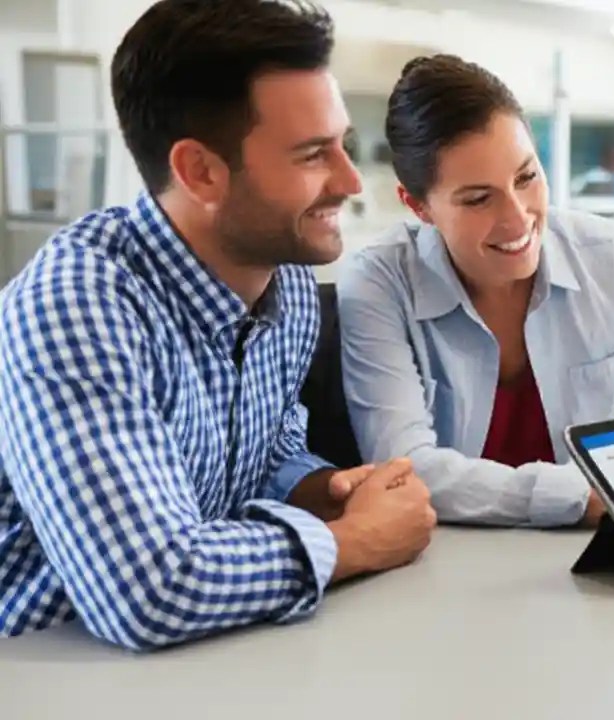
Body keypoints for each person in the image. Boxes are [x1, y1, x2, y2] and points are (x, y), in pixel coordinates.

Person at [0, 0, 437, 651]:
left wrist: (327, 490)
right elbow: (147, 590)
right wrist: (354, 541)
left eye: (342, 144)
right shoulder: (77, 304)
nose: (350, 181)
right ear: (200, 171)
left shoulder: (281, 277)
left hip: (211, 663)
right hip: (51, 675)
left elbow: (261, 456)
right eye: (314, 155)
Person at [337, 55, 614, 528]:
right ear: (418, 206)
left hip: (600, 547)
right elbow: (402, 470)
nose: (518, 217)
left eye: (526, 177)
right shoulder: (379, 284)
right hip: (445, 565)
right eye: (479, 198)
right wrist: (580, 496)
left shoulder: (611, 257)